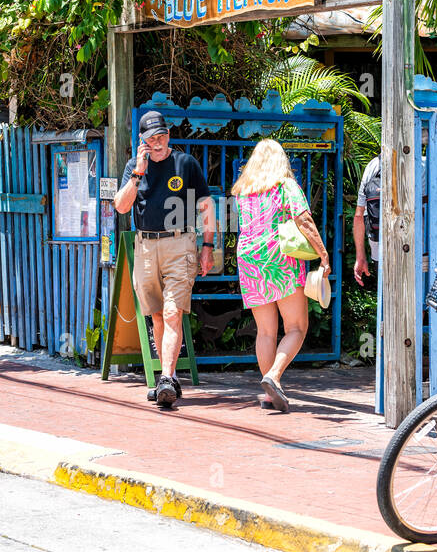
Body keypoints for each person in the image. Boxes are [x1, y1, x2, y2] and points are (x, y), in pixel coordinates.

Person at [113, 110, 216, 409]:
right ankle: (165, 379)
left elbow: (207, 207)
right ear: (142, 141)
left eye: (162, 136)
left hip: (179, 243)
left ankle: (168, 378)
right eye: (151, 139)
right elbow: (121, 207)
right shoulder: (135, 167)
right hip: (145, 246)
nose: (158, 143)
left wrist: (207, 246)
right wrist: (137, 173)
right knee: (157, 314)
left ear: (169, 136)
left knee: (172, 313)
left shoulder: (186, 163)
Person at [232, 138, 329, 412]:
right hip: (279, 257)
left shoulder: (244, 190)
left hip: (249, 260)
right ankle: (273, 376)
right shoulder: (286, 186)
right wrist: (323, 254)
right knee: (297, 327)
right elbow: (304, 220)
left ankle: (269, 396)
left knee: (265, 331)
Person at [353, 154, 380, 285]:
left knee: (386, 294)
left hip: (380, 249)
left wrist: (360, 256)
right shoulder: (423, 164)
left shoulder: (374, 165)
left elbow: (359, 214)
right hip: (418, 247)